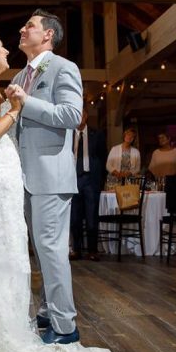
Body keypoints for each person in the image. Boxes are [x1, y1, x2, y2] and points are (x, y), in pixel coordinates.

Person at [0, 29, 120, 352]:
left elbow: (72, 114)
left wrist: (9, 115)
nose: (12, 42)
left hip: (29, 174)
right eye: (2, 46)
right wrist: (13, 112)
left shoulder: (57, 69)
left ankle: (55, 323)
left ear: (49, 34)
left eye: (28, 26)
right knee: (9, 251)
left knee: (23, 250)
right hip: (8, 173)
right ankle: (22, 324)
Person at [69, 106, 107, 261]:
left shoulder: (96, 134)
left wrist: (100, 180)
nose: (79, 118)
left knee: (92, 217)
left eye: (81, 115)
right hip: (72, 179)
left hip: (91, 180)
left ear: (85, 116)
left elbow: (103, 157)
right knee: (74, 218)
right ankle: (76, 250)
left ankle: (92, 250)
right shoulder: (68, 134)